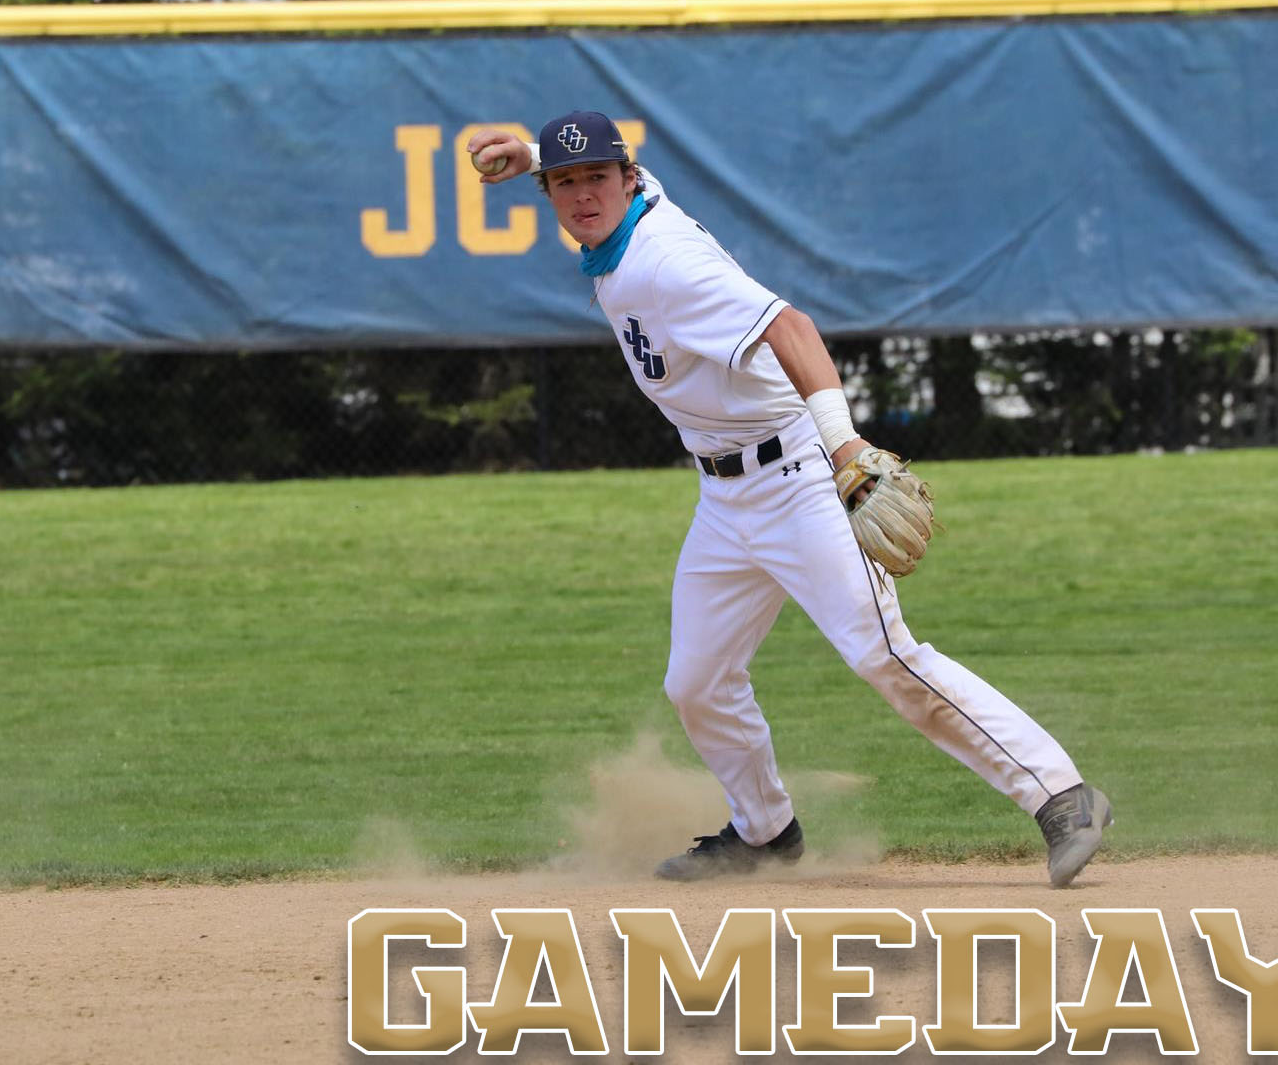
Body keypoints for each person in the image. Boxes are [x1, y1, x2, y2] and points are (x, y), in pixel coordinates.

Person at [469, 111, 1112, 887]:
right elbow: (589, 172)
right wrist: (537, 154)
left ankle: (1061, 794)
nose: (582, 195)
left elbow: (792, 327)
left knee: (883, 654)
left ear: (629, 179)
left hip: (800, 478)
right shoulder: (629, 219)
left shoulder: (664, 262)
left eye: (596, 177)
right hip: (724, 499)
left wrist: (844, 447)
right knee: (697, 683)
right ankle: (767, 832)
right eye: (564, 183)